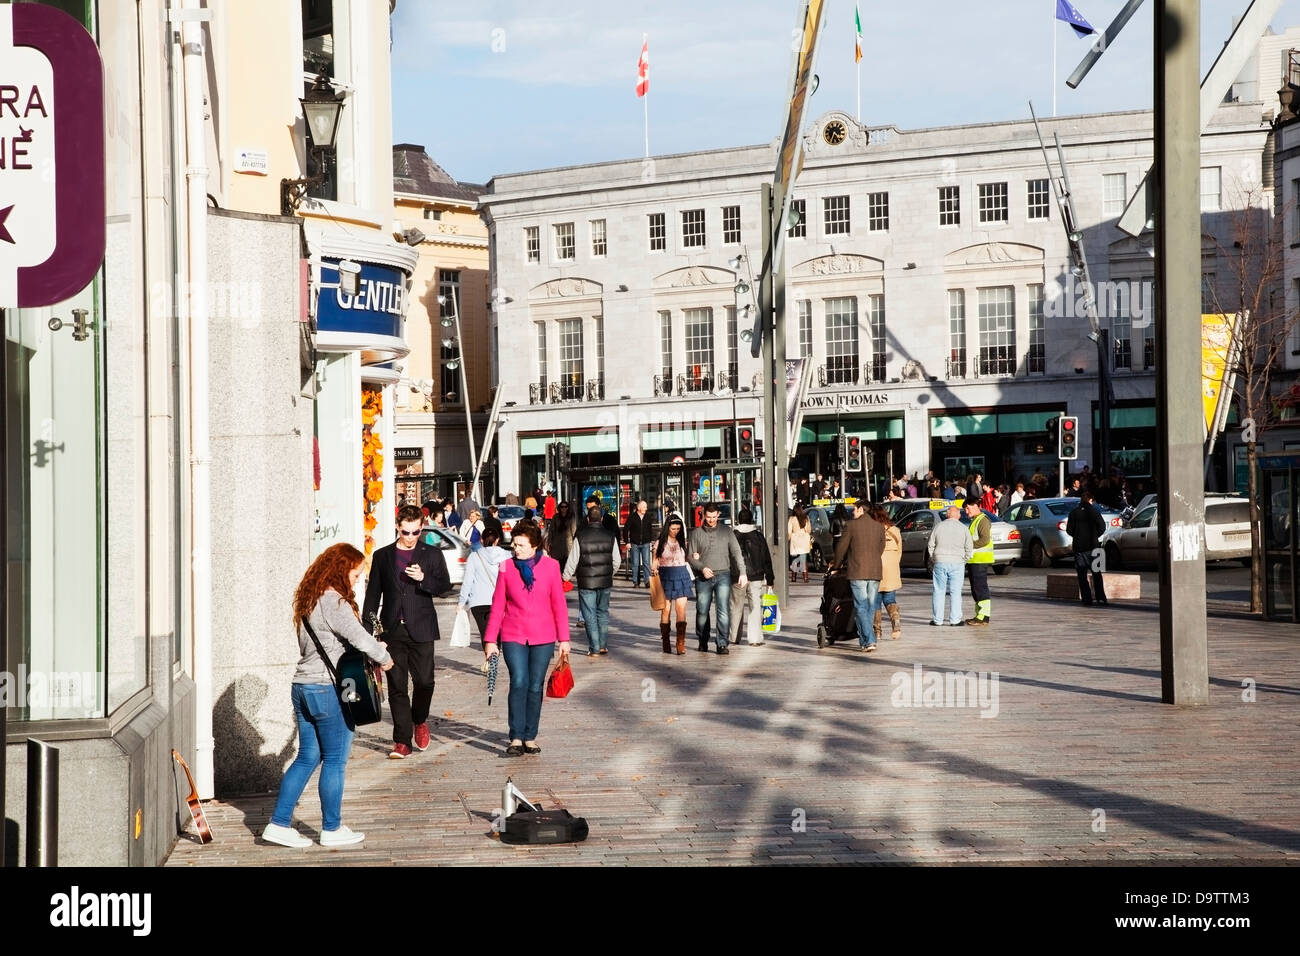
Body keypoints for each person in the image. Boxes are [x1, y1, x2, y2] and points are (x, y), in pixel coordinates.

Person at [262, 543, 394, 848]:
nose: (357, 580)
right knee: (335, 759)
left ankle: (279, 823)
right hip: (327, 689)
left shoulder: (309, 599)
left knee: (307, 757)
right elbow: (359, 638)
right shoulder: (334, 601)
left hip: (302, 686)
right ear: (341, 569)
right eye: (356, 573)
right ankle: (332, 828)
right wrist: (384, 657)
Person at [362, 505, 452, 758]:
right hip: (392, 630)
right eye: (405, 532)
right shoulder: (382, 556)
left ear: (421, 528)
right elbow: (372, 598)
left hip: (422, 628)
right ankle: (402, 741)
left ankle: (420, 720)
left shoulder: (432, 554)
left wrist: (423, 578)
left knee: (425, 682)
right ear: (397, 527)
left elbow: (444, 587)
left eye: (415, 532)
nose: (410, 537)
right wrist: (370, 635)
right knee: (397, 686)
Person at [483, 523, 571, 757]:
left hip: (543, 635)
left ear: (535, 546)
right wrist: (490, 640)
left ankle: (530, 736)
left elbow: (559, 605)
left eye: (521, 545)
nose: (516, 549)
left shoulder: (551, 567)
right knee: (519, 681)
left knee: (535, 684)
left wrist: (564, 639)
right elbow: (498, 605)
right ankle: (516, 736)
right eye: (514, 544)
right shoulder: (506, 567)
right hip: (513, 634)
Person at [687, 502, 747, 654]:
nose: (711, 520)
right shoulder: (696, 533)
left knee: (723, 610)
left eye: (714, 517)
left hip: (723, 575)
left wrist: (743, 572)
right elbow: (690, 557)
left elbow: (736, 552)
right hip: (703, 577)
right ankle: (702, 639)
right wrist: (702, 567)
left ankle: (722, 643)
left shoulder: (726, 532)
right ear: (703, 515)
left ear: (718, 515)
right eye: (708, 517)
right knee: (702, 610)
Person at [564, 505, 621, 656]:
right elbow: (617, 560)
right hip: (605, 581)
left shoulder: (581, 536)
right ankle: (602, 645)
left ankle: (594, 648)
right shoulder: (610, 535)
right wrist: (609, 573)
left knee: (589, 614)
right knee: (602, 612)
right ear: (601, 518)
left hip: (586, 582)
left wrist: (565, 577)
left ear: (588, 519)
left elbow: (573, 560)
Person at [830, 500, 886, 652]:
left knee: (861, 606)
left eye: (854, 509)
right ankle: (864, 640)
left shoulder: (851, 526)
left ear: (861, 510)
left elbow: (841, 547)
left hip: (857, 571)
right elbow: (881, 548)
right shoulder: (879, 527)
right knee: (870, 606)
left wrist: (836, 566)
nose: (853, 512)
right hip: (874, 571)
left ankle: (869, 640)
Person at [458, 526, 511, 645]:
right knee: (496, 633)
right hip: (499, 600)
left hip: (478, 602)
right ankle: (493, 657)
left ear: (481, 540)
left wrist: (461, 603)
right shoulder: (507, 556)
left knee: (486, 635)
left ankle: (490, 658)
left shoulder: (474, 556)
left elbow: (468, 581)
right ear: (497, 540)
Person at [729, 507, 774, 646]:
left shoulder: (732, 535)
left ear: (738, 520)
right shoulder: (758, 536)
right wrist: (770, 578)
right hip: (756, 576)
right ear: (751, 519)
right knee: (755, 607)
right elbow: (766, 558)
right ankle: (755, 639)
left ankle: (734, 637)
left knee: (736, 607)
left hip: (737, 577)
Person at [651, 515, 693, 654]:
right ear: (667, 527)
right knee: (666, 610)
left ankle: (680, 643)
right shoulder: (660, 543)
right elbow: (655, 560)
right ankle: (665, 641)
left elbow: (688, 557)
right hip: (665, 576)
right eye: (673, 528)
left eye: (678, 529)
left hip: (681, 575)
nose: (676, 531)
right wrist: (654, 568)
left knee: (681, 610)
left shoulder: (683, 542)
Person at [927, 505, 972, 626]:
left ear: (947, 515)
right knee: (956, 591)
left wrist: (934, 558)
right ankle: (955, 620)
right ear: (958, 515)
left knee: (938, 591)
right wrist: (964, 560)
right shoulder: (963, 528)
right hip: (957, 563)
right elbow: (969, 547)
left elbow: (931, 545)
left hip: (940, 561)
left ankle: (937, 620)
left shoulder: (938, 527)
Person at [1066, 490, 1109, 606]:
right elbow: (1102, 527)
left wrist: (1078, 535)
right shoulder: (1095, 512)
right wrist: (1095, 536)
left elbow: (1069, 530)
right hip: (1095, 547)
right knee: (1097, 574)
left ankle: (1087, 598)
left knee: (1082, 575)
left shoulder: (1073, 513)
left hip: (1079, 548)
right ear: (1090, 500)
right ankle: (1100, 598)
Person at [869, 503, 904, 641]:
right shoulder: (895, 530)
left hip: (876, 566)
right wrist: (895, 563)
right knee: (890, 598)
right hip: (892, 567)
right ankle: (896, 624)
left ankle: (877, 631)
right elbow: (900, 550)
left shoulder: (872, 530)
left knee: (875, 601)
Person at [964, 500, 995, 626]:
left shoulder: (983, 520)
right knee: (976, 588)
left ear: (975, 506)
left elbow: (985, 540)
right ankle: (979, 615)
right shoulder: (975, 520)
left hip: (980, 560)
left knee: (980, 588)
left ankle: (984, 616)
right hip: (975, 560)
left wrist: (968, 545)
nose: (966, 511)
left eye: (967, 508)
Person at [624, 499, 655, 588]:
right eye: (644, 507)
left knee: (646, 563)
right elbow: (626, 529)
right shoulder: (632, 517)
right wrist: (627, 542)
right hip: (634, 543)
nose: (646, 508)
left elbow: (650, 529)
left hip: (645, 543)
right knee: (635, 563)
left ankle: (647, 581)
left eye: (646, 507)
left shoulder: (648, 517)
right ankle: (636, 582)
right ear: (639, 508)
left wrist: (650, 540)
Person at [545, 500, 575, 571]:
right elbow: (551, 530)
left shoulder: (571, 517)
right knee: (557, 565)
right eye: (562, 507)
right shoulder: (555, 517)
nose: (563, 508)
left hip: (568, 544)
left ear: (568, 508)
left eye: (565, 507)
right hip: (557, 544)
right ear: (559, 508)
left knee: (566, 565)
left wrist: (575, 543)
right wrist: (549, 542)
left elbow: (573, 530)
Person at [787, 505, 812, 584]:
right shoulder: (806, 518)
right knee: (803, 559)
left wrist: (789, 539)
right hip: (804, 540)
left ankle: (794, 577)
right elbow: (808, 530)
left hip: (795, 540)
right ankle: (805, 577)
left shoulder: (792, 519)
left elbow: (789, 531)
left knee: (794, 560)